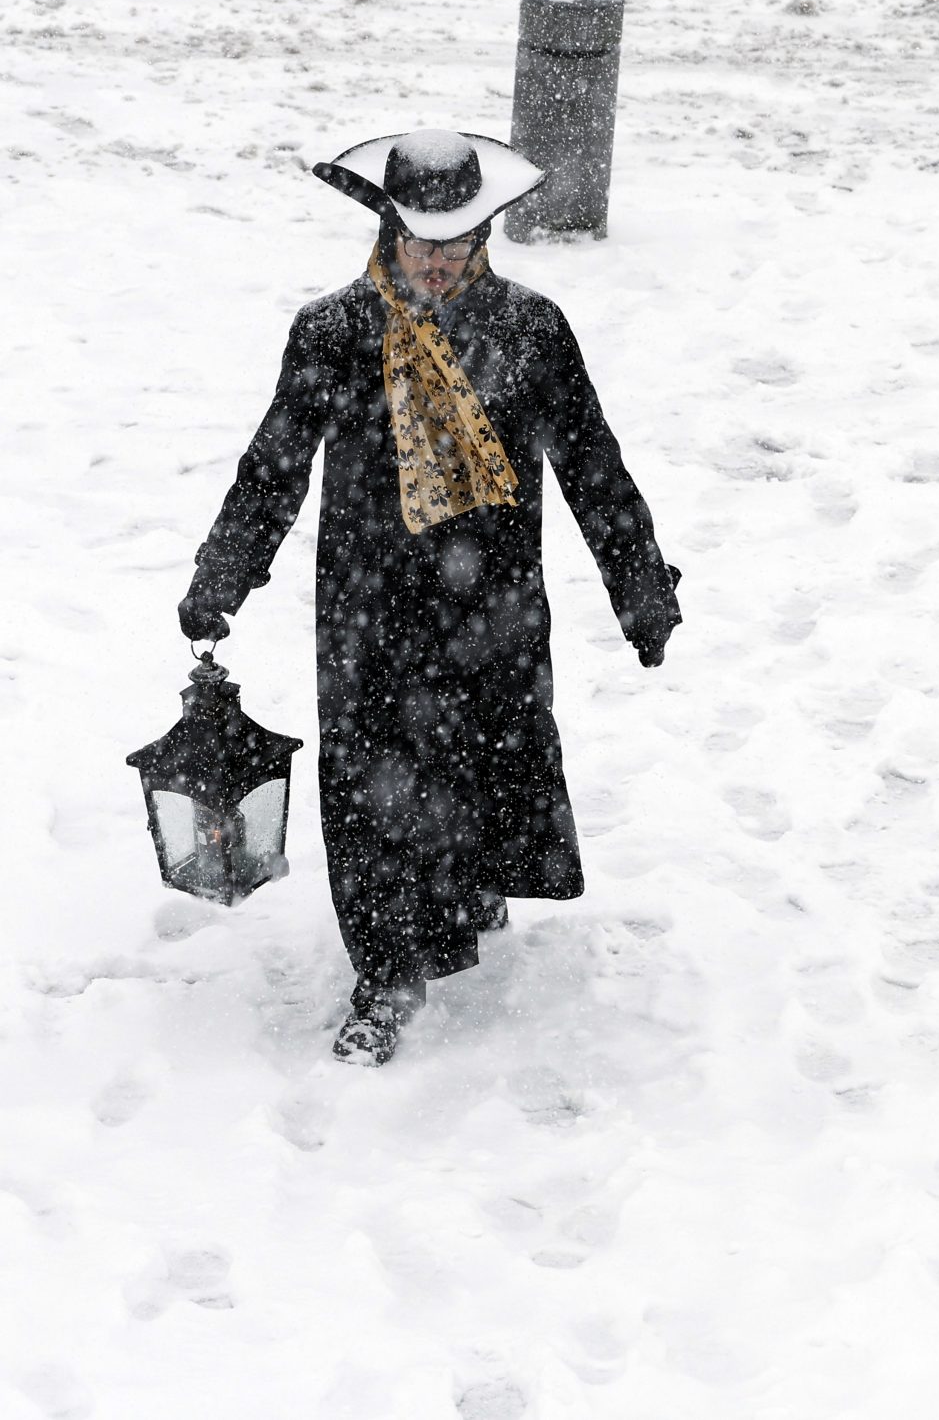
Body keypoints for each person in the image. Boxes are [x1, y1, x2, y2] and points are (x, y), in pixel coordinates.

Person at [178, 129, 682, 1066]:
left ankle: (468, 895)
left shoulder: (530, 330)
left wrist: (641, 587)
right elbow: (274, 467)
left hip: (491, 599)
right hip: (369, 610)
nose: (438, 263)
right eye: (420, 241)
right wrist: (223, 574)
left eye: (457, 243)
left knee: (481, 763)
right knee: (373, 789)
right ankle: (385, 971)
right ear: (387, 229)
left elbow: (592, 462)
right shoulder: (335, 333)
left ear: (484, 235)